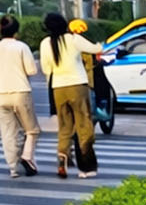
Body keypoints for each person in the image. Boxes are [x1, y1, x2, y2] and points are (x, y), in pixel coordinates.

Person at [39, 12, 102, 178]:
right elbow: (96, 49)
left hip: (58, 88)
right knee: (83, 125)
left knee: (64, 126)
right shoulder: (74, 39)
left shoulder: (45, 43)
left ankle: (62, 156)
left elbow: (46, 69)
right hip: (78, 86)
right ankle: (86, 167)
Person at [0, 15, 40, 178]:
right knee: (32, 130)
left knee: (8, 132)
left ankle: (13, 168)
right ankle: (27, 157)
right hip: (20, 92)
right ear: (17, 30)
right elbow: (32, 70)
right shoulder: (21, 47)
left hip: (1, 95)